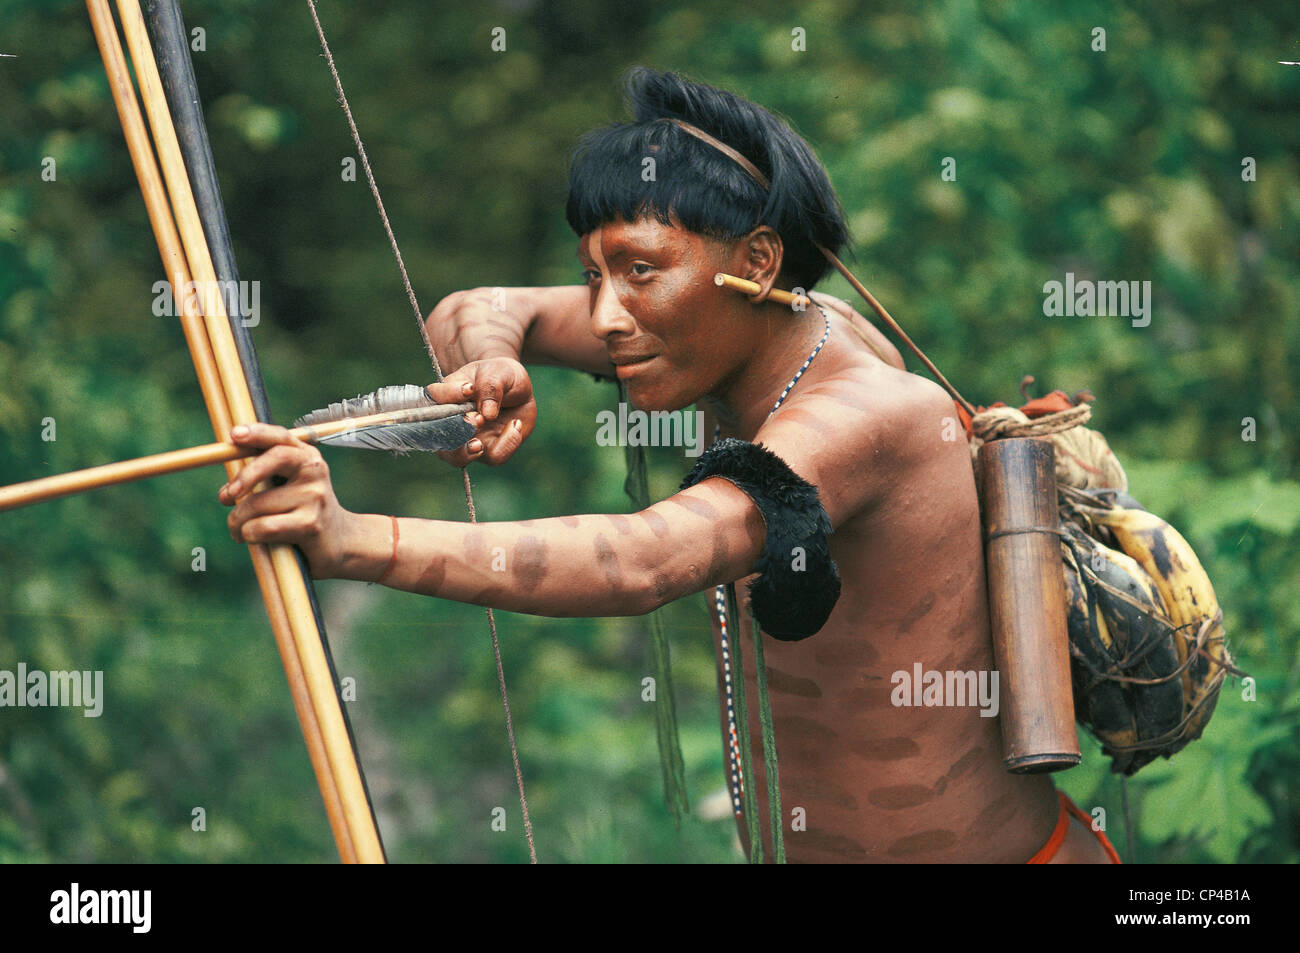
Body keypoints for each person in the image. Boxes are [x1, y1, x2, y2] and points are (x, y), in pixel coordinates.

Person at [219, 67, 1118, 863]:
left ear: (758, 263)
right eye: (595, 273)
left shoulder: (864, 413)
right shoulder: (739, 331)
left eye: (641, 270)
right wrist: (491, 360)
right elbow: (482, 304)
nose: (606, 316)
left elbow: (646, 559)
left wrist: (350, 540)